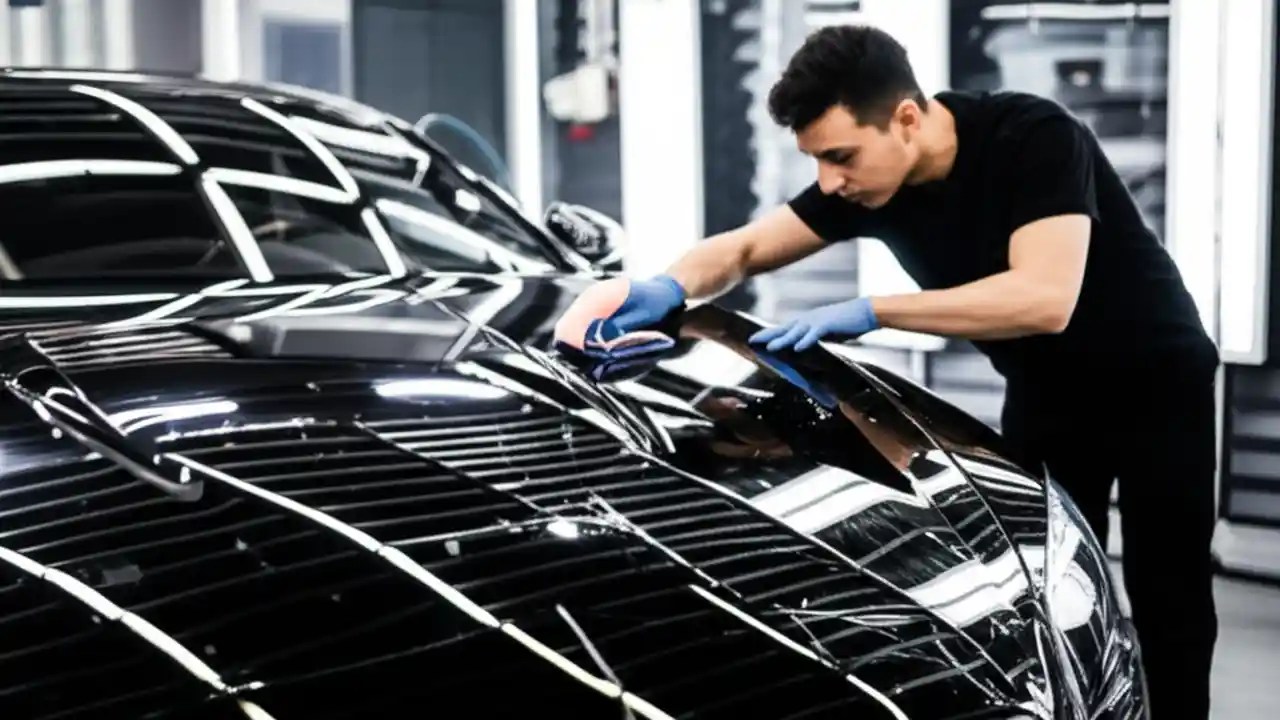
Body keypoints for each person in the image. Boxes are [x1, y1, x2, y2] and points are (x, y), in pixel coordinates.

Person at [554, 23, 1222, 716]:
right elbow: (749, 249)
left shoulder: (1034, 137)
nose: (829, 181)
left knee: (1166, 594)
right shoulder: (870, 184)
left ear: (906, 118)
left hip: (1154, 380)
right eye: (816, 160)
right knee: (1039, 592)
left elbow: (1043, 299)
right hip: (1048, 389)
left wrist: (876, 310)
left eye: (840, 156)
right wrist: (669, 286)